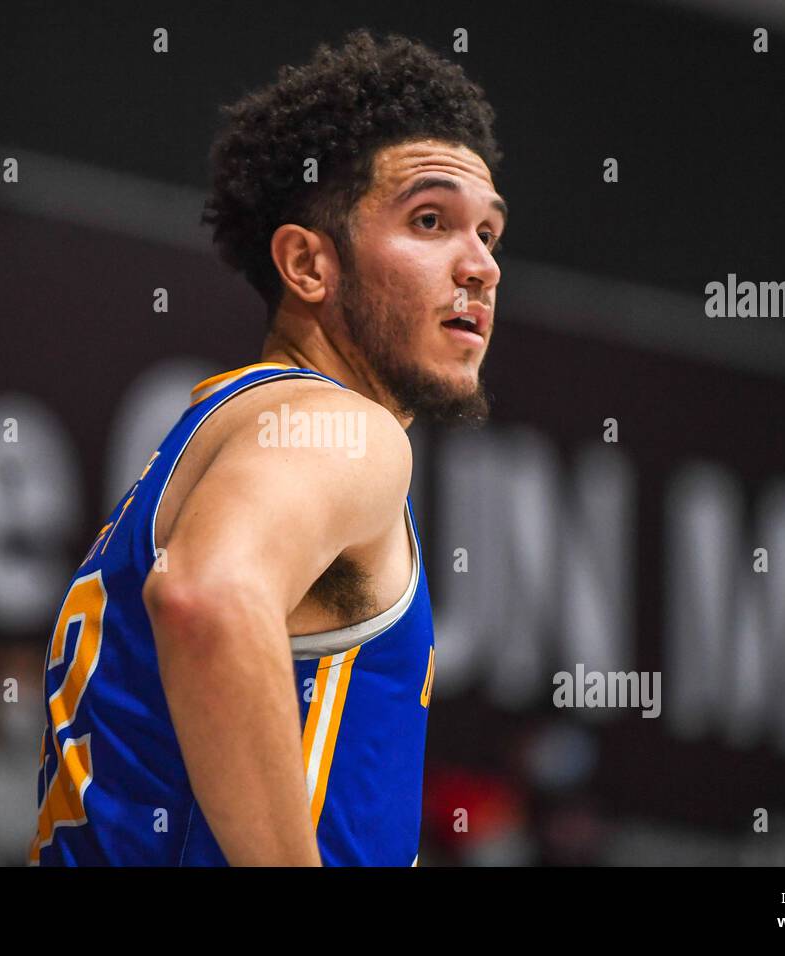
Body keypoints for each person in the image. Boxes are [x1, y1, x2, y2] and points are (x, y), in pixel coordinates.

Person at [32, 27, 506, 866]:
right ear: (308, 265)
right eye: (431, 221)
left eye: (488, 234)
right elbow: (206, 599)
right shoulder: (342, 430)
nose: (480, 267)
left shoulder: (222, 431)